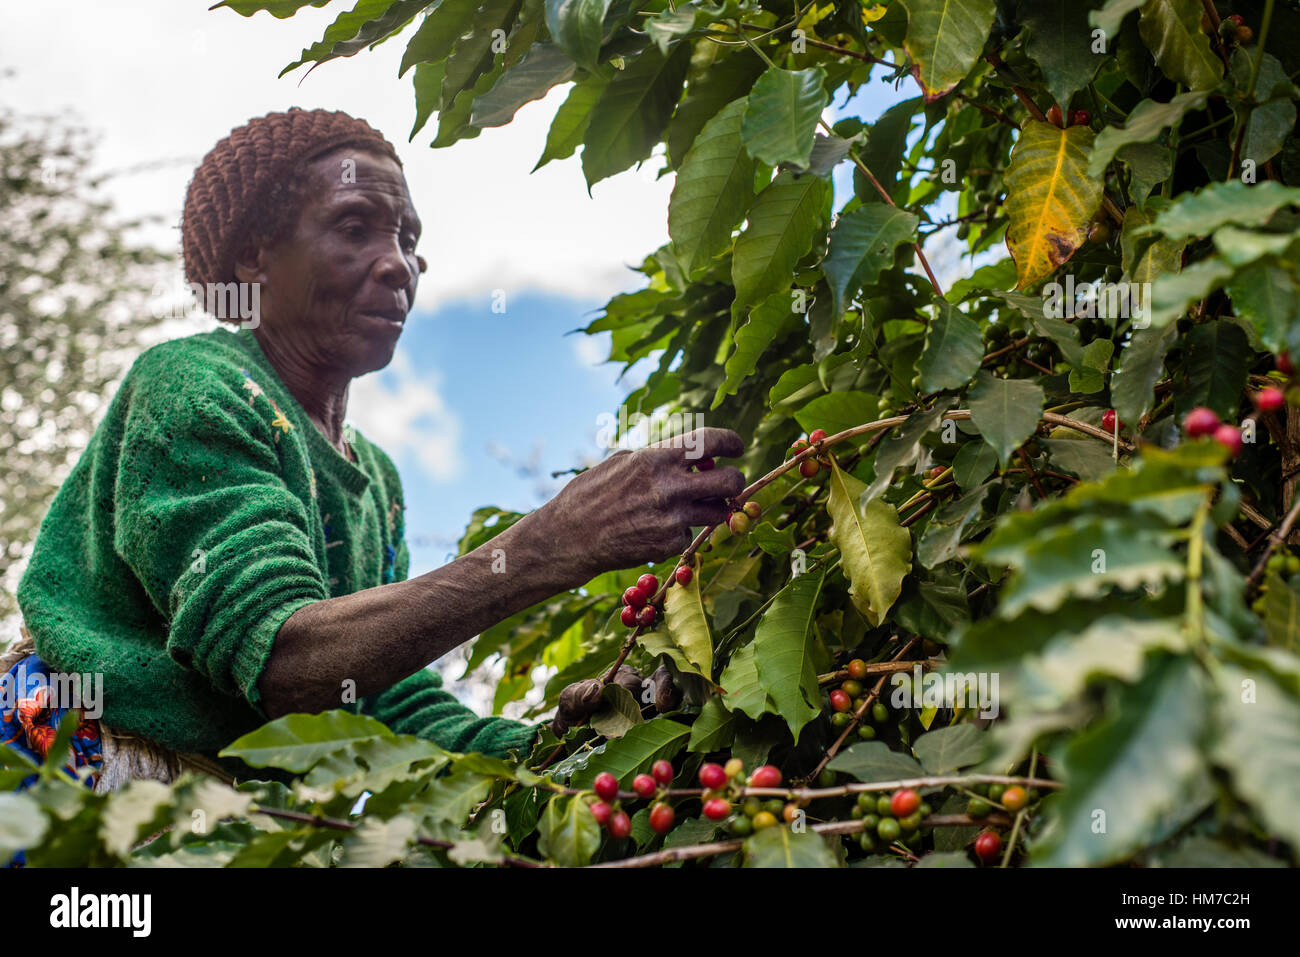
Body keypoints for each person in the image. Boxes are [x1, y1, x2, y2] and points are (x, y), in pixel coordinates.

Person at [8, 108, 744, 790]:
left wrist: (548, 748)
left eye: (410, 240)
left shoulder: (375, 479)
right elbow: (287, 663)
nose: (399, 265)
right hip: (73, 769)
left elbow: (383, 700)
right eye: (356, 226)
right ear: (254, 261)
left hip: (220, 811)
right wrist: (559, 539)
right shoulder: (193, 387)